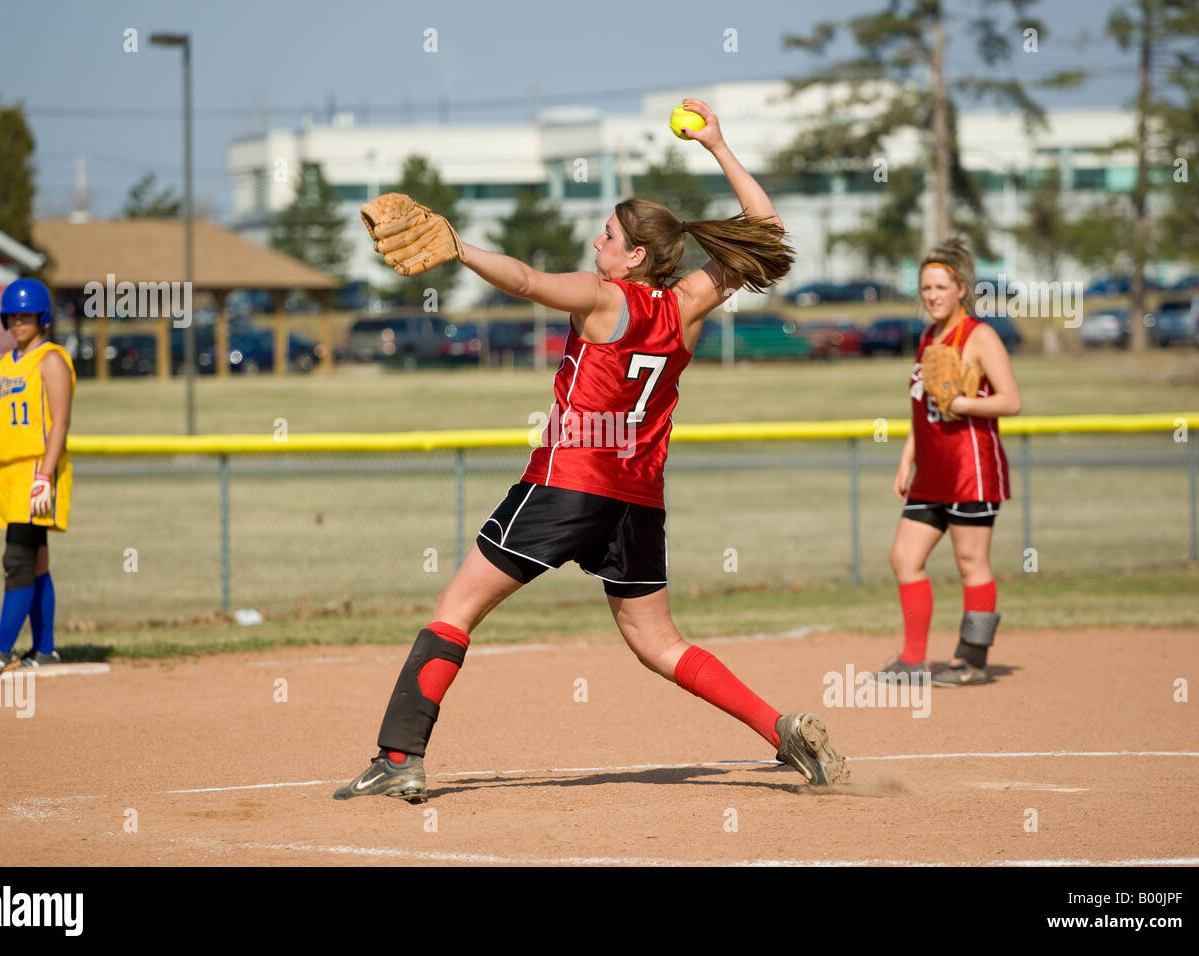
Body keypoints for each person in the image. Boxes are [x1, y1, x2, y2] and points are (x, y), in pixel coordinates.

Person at [335, 99, 849, 803]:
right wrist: (720, 148)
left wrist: (459, 247)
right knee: (658, 644)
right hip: (637, 497)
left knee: (454, 609)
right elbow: (766, 230)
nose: (596, 242)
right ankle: (781, 730)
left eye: (607, 235)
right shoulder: (687, 304)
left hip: (567, 481)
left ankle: (398, 757)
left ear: (635, 256)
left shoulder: (604, 298)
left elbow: (522, 280)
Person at [879, 238, 1021, 687]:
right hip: (931, 470)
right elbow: (922, 408)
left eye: (942, 286)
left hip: (971, 468)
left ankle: (973, 659)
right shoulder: (928, 336)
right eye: (926, 287)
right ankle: (912, 660)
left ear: (961, 288)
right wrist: (906, 460)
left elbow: (1011, 401)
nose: (933, 295)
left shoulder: (978, 335)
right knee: (904, 557)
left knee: (969, 562)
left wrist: (962, 401)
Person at [0, 278, 75, 677]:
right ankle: (44, 649)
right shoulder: (1, 366)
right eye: (12, 315)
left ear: (42, 317)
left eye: (25, 315)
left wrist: (44, 476)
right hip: (8, 475)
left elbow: (60, 423)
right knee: (36, 562)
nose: (17, 322)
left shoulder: (51, 360)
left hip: (36, 470)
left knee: (16, 560)